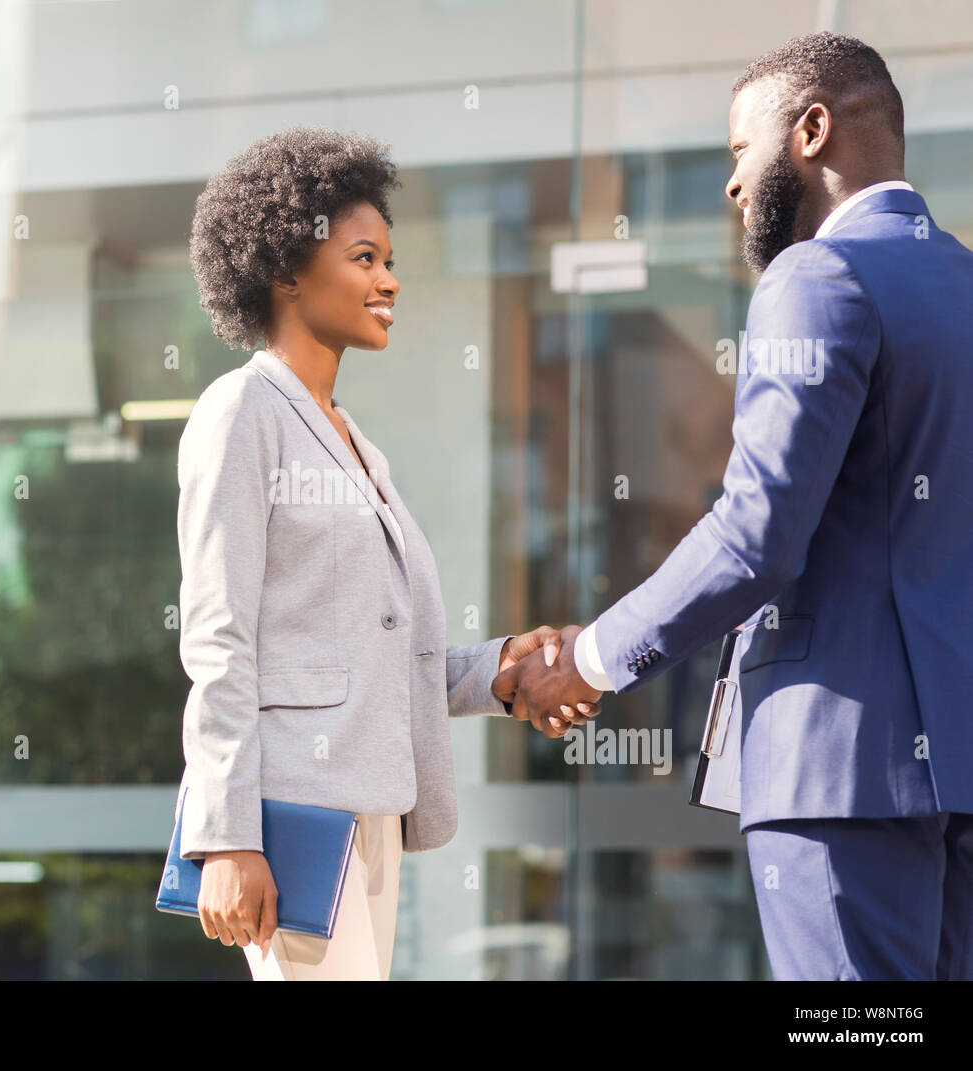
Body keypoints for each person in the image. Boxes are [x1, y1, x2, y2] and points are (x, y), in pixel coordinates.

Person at [493, 32, 973, 980]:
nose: (731, 186)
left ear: (811, 129)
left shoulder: (815, 276)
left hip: (842, 771)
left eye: (736, 154)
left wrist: (591, 657)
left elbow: (758, 535)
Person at [173, 127, 598, 981]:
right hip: (293, 814)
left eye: (390, 258)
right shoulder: (240, 412)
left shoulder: (359, 447)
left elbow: (382, 650)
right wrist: (224, 836)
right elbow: (218, 636)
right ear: (288, 268)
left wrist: (500, 670)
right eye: (364, 257)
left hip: (372, 812)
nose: (389, 279)